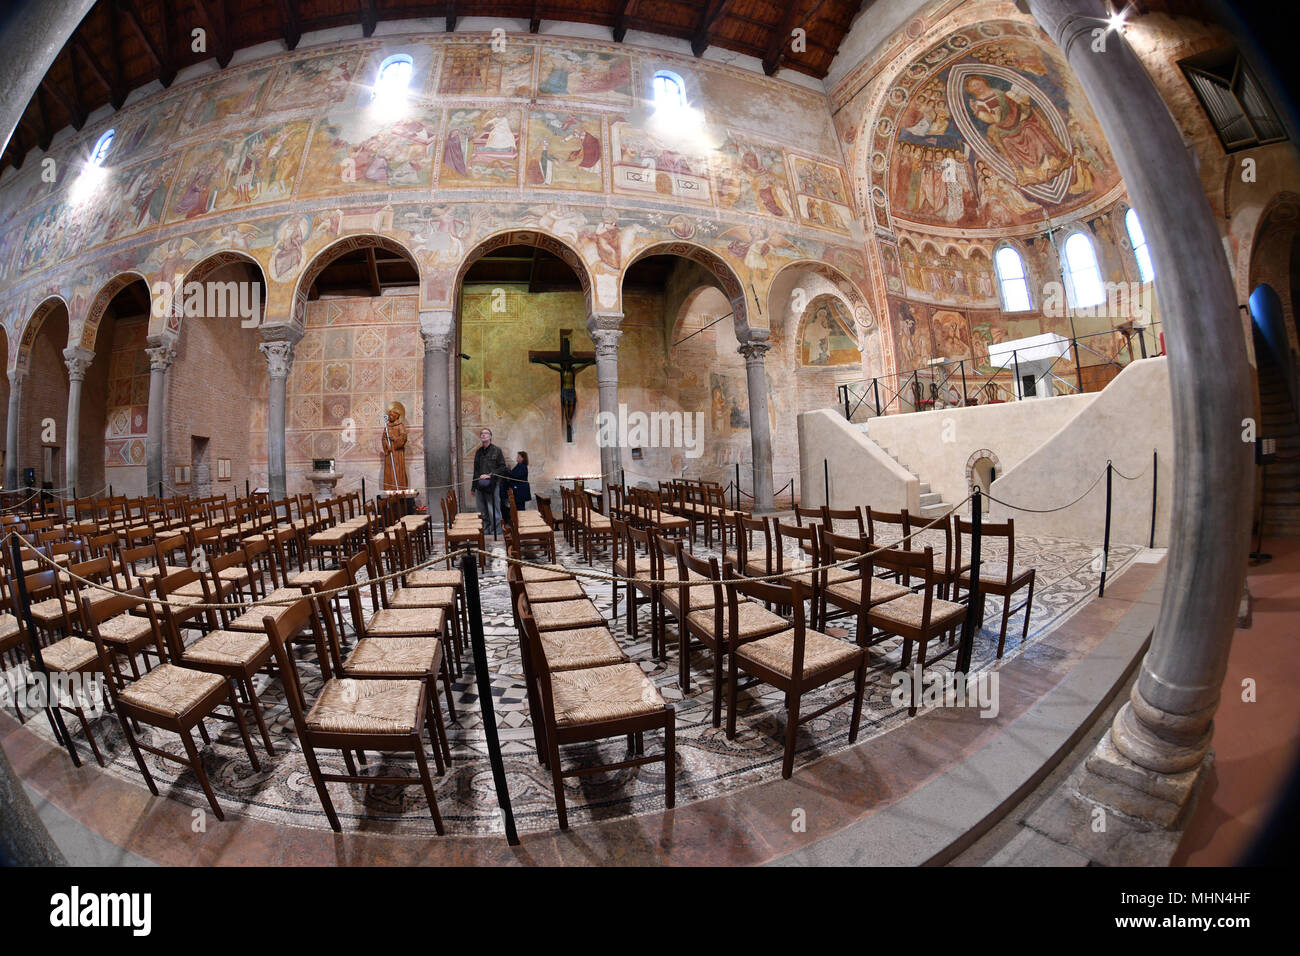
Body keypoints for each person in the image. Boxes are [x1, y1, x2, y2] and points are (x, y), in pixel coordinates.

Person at [472, 427, 507, 534]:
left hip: (492, 485)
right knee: (482, 511)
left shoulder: (497, 450)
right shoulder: (478, 452)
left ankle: (497, 532)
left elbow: (502, 467)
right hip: (479, 486)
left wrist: (490, 475)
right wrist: (473, 487)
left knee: (493, 510)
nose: (483, 435)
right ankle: (486, 531)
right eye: (482, 433)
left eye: (486, 433)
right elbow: (476, 470)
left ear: (490, 437)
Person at [500, 452, 531, 524]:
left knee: (520, 508)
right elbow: (513, 475)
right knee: (517, 508)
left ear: (523, 458)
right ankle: (517, 522)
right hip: (518, 491)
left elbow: (514, 476)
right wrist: (509, 470)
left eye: (519, 456)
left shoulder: (522, 466)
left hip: (520, 491)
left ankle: (521, 523)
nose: (517, 457)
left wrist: (507, 470)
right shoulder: (519, 465)